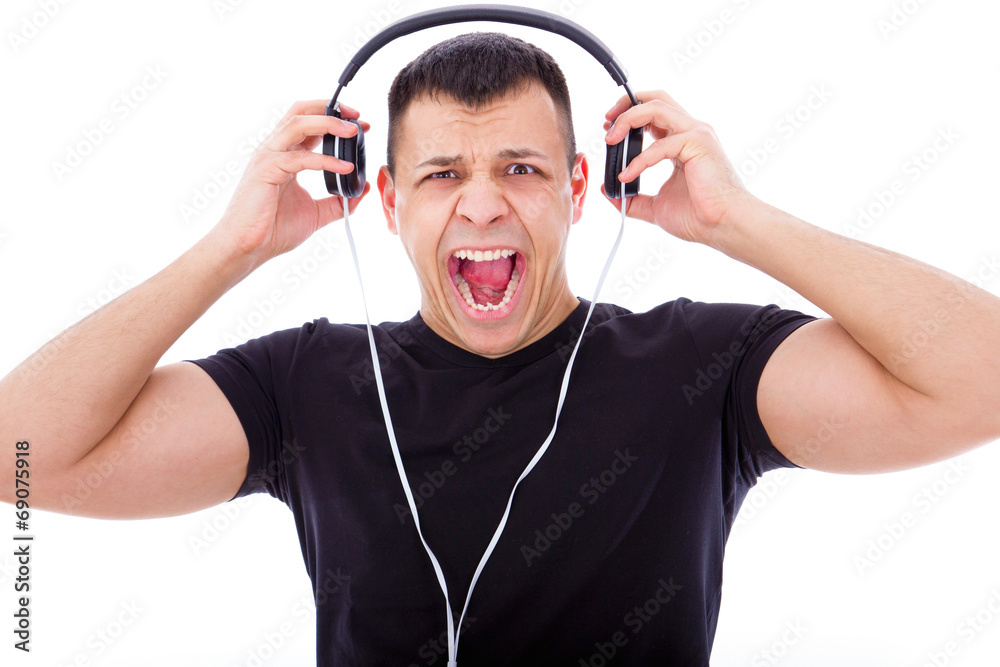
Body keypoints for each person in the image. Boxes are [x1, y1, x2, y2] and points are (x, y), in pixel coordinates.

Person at [2, 30, 999, 666]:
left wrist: (737, 220)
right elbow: (22, 452)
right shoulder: (303, 384)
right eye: (441, 174)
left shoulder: (707, 366)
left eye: (520, 167)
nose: (482, 202)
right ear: (384, 201)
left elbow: (979, 379)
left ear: (576, 188)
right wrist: (232, 248)